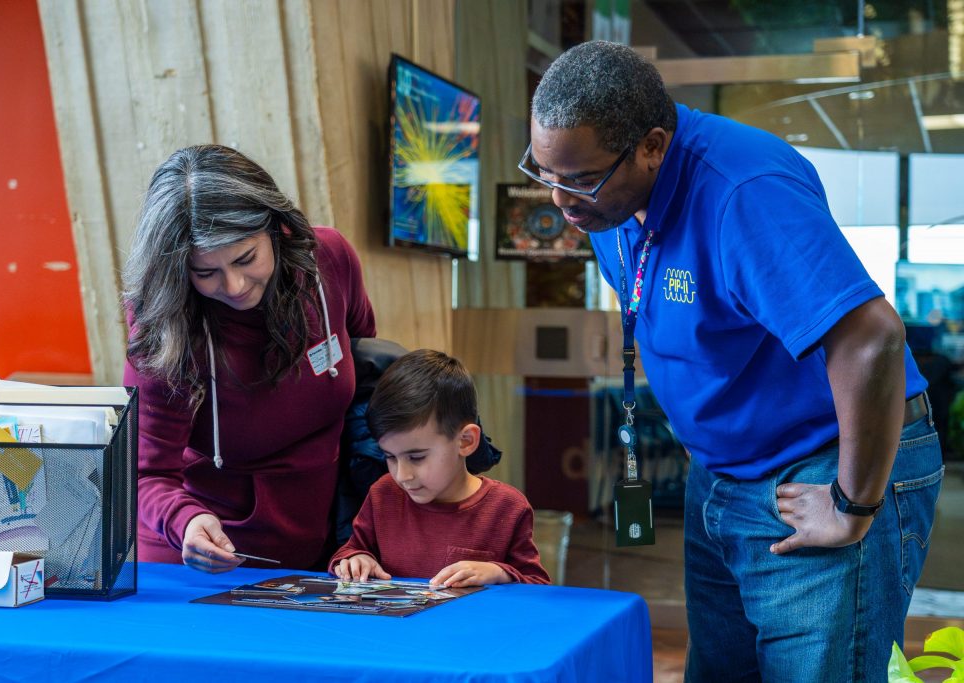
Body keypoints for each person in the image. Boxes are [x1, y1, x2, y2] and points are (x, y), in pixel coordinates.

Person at [522, 41, 943, 681]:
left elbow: (871, 338)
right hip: (721, 472)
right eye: (545, 173)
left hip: (818, 466)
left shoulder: (742, 192)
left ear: (653, 146)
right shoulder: (606, 198)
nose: (560, 200)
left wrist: (852, 503)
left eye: (580, 180)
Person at [122, 144, 375, 573]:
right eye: (206, 272)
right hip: (206, 550)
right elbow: (145, 474)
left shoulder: (329, 260)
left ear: (276, 227)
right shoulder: (162, 324)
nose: (235, 285)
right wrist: (186, 521)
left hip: (326, 534)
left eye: (246, 258)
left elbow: (367, 363)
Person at [329, 349, 550, 587]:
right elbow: (350, 551)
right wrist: (355, 559)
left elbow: (536, 587)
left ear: (466, 441)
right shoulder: (383, 494)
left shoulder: (507, 507)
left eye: (417, 457)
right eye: (390, 457)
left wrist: (499, 573)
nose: (402, 476)